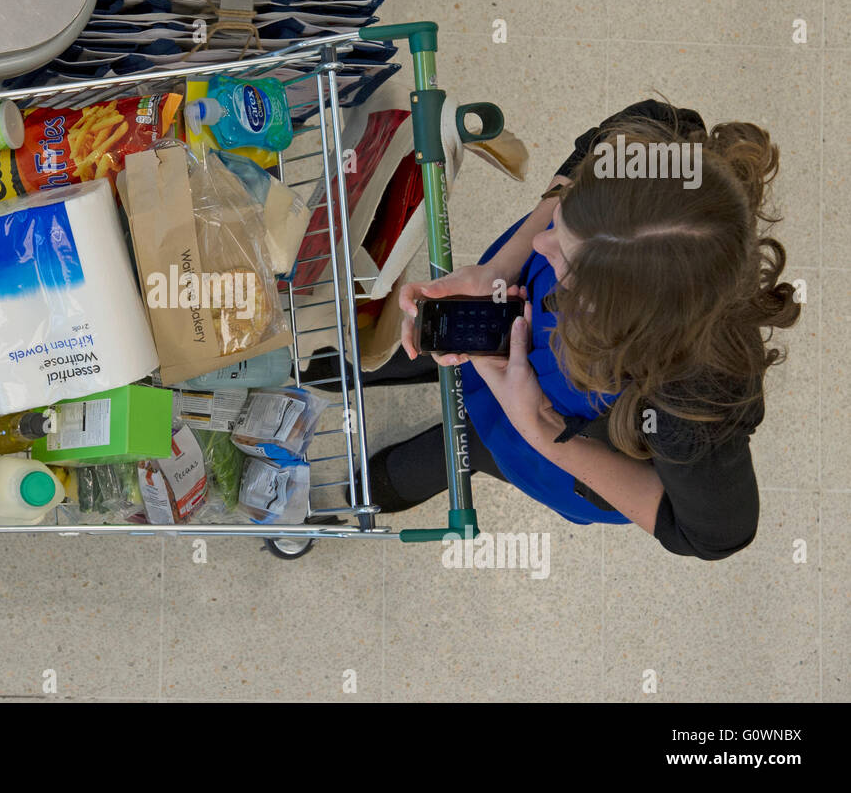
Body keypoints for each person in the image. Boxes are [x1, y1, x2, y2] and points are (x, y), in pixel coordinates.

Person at [307, 100, 801, 560]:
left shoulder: (698, 401)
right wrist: (505, 263)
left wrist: (539, 428)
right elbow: (634, 124)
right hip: (518, 321)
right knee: (439, 338)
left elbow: (714, 533)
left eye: (563, 256)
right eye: (563, 220)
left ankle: (418, 467)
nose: (541, 242)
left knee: (476, 442)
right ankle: (351, 367)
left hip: (566, 430)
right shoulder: (667, 165)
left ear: (617, 318)